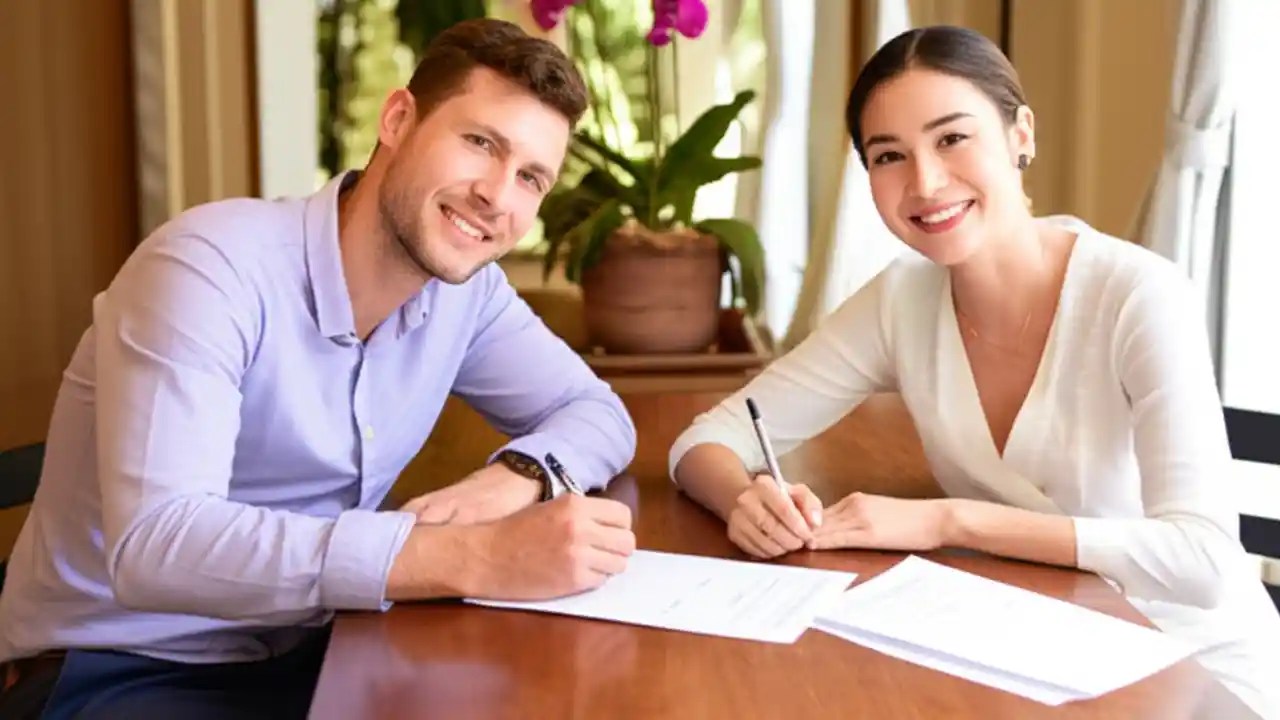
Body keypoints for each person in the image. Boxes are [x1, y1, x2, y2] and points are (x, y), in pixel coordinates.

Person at [0, 18, 638, 719]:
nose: (496, 195)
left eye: (530, 178)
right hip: (120, 668)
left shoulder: (468, 297)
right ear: (398, 119)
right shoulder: (208, 267)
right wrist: (471, 555)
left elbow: (599, 414)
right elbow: (159, 544)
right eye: (480, 143)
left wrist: (516, 477)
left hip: (317, 651)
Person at [669, 25, 1280, 717]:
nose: (925, 182)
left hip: (1193, 670)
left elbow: (1202, 562)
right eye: (889, 155)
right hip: (1034, 644)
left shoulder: (1139, 294)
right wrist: (745, 502)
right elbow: (704, 441)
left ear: (1021, 134)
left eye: (952, 138)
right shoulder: (900, 299)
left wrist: (949, 522)